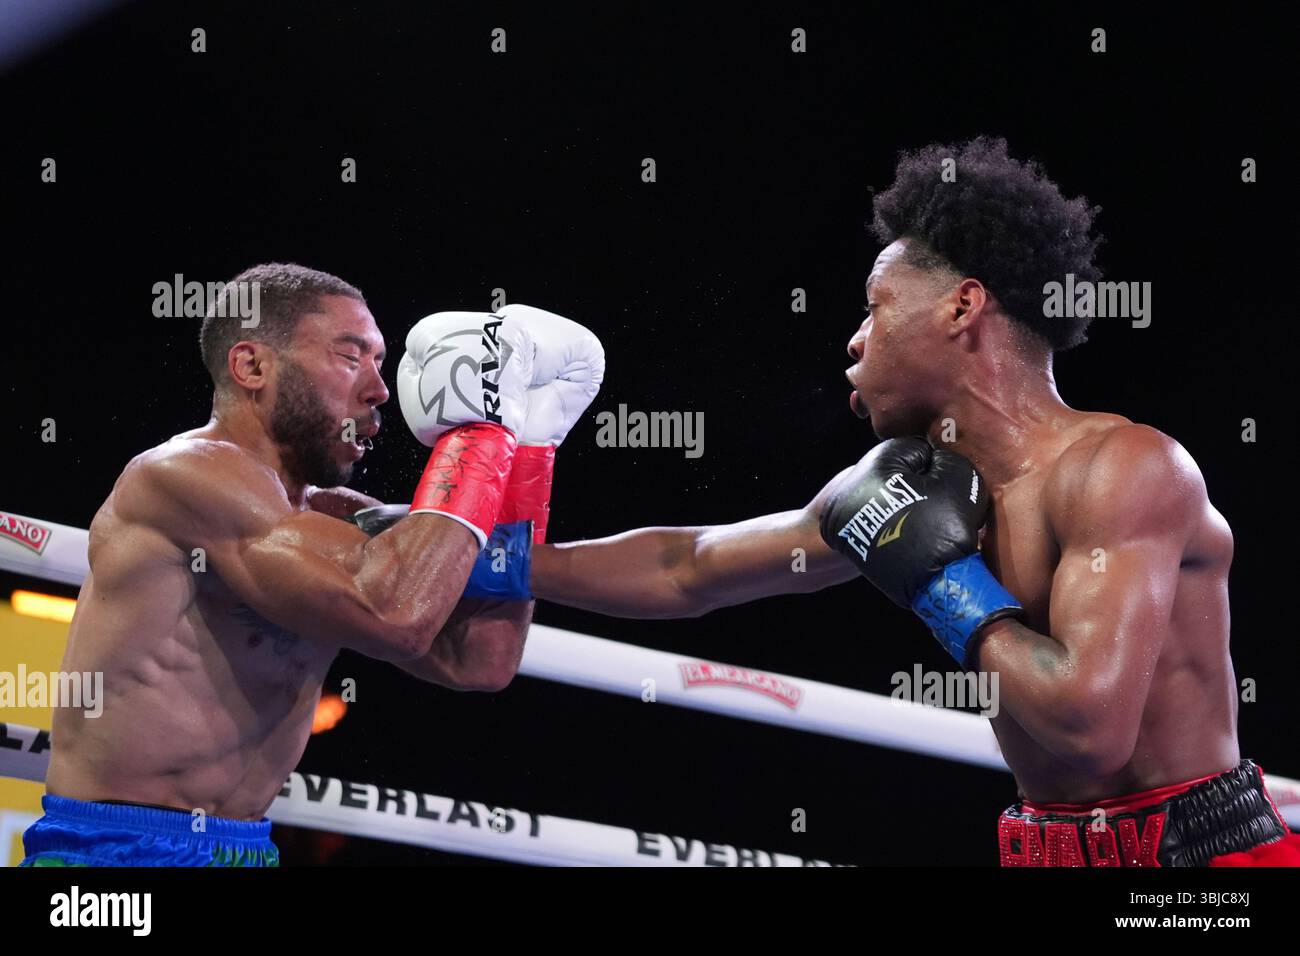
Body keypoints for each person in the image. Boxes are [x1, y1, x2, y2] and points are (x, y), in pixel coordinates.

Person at [528, 138, 1299, 866]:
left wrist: (943, 584)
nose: (856, 341)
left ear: (962, 308)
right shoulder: (907, 490)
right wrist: (491, 557)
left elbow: (1089, 728)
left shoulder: (1124, 468)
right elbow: (688, 567)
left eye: (874, 305)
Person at [21, 264, 603, 866]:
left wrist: (528, 450)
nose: (379, 389)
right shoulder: (180, 475)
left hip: (246, 849)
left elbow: (480, 659)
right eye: (353, 358)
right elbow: (396, 612)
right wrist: (482, 437)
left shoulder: (341, 517)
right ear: (252, 367)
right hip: (114, 852)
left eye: (382, 363)